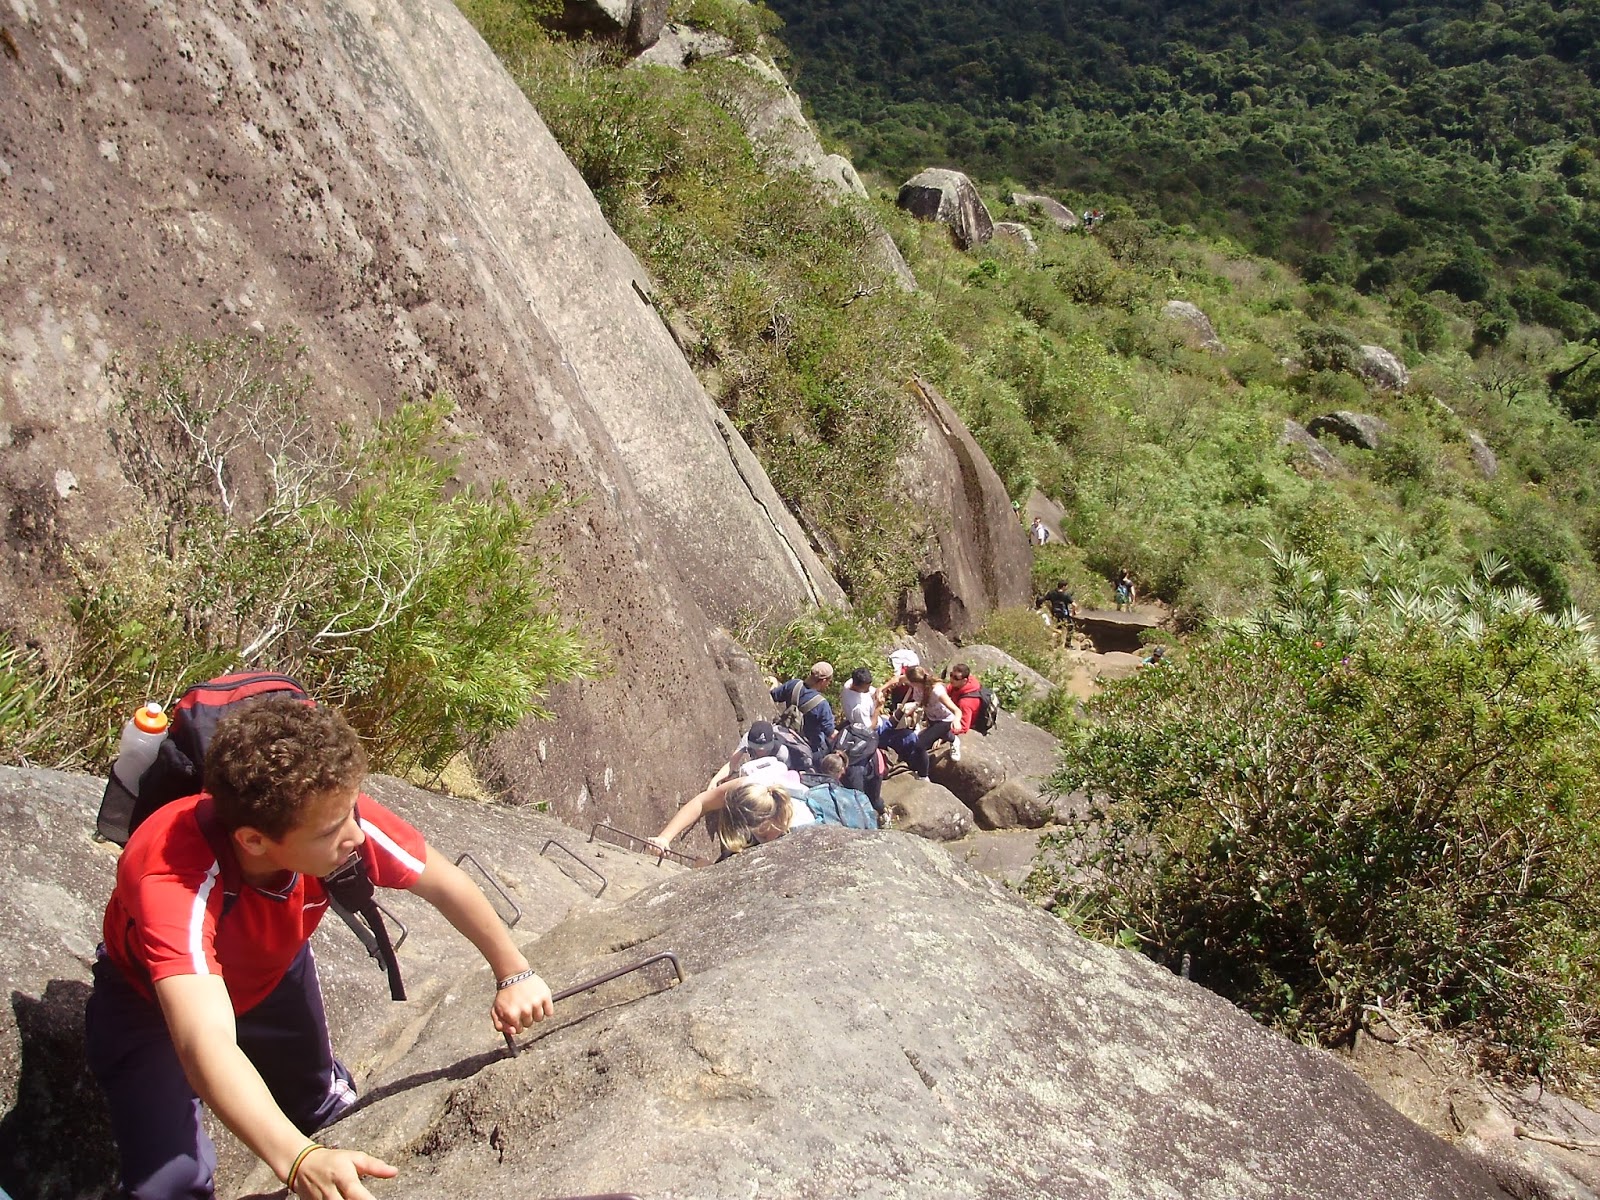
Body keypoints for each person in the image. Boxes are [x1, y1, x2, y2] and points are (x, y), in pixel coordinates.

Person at [85, 696, 554, 1200]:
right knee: (169, 1187)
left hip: (275, 971)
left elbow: (441, 881)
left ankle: (316, 1105)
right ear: (255, 840)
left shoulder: (326, 809)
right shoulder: (175, 875)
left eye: (352, 811)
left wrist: (514, 973)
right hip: (150, 1003)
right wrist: (297, 1159)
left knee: (324, 1106)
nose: (356, 836)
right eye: (333, 830)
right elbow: (203, 1038)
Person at [647, 777, 815, 861]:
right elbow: (702, 802)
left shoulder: (799, 838)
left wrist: (708, 873)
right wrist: (665, 837)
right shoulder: (749, 787)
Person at [900, 665, 960, 780]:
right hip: (932, 717)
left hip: (944, 719)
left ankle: (923, 775)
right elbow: (899, 679)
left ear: (915, 682)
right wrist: (882, 689)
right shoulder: (916, 683)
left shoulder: (937, 691)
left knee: (920, 745)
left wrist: (957, 720)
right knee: (943, 734)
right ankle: (954, 740)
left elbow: (956, 710)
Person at [770, 662, 836, 760]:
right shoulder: (822, 704)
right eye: (829, 681)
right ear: (823, 681)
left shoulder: (794, 684)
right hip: (809, 745)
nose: (828, 684)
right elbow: (831, 733)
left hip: (786, 733)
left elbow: (774, 695)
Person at [944, 663, 983, 763]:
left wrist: (942, 733)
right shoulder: (959, 685)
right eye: (951, 675)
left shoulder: (966, 702)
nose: (952, 679)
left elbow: (964, 726)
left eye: (956, 678)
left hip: (964, 718)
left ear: (965, 680)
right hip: (956, 710)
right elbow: (949, 689)